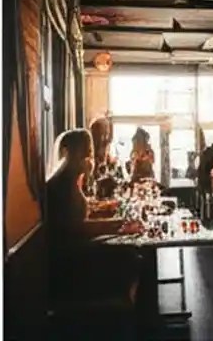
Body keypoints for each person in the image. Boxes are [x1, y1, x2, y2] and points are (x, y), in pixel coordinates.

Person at [46, 129, 141, 305]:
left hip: (75, 248)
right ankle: (127, 311)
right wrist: (118, 226)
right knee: (131, 256)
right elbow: (79, 227)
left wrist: (114, 222)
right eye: (87, 153)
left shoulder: (69, 179)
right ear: (74, 154)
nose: (91, 159)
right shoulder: (63, 184)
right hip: (72, 259)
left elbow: (78, 216)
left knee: (132, 250)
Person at [85, 116, 124, 199]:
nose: (108, 139)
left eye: (108, 133)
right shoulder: (88, 160)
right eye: (105, 133)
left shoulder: (109, 158)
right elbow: (89, 189)